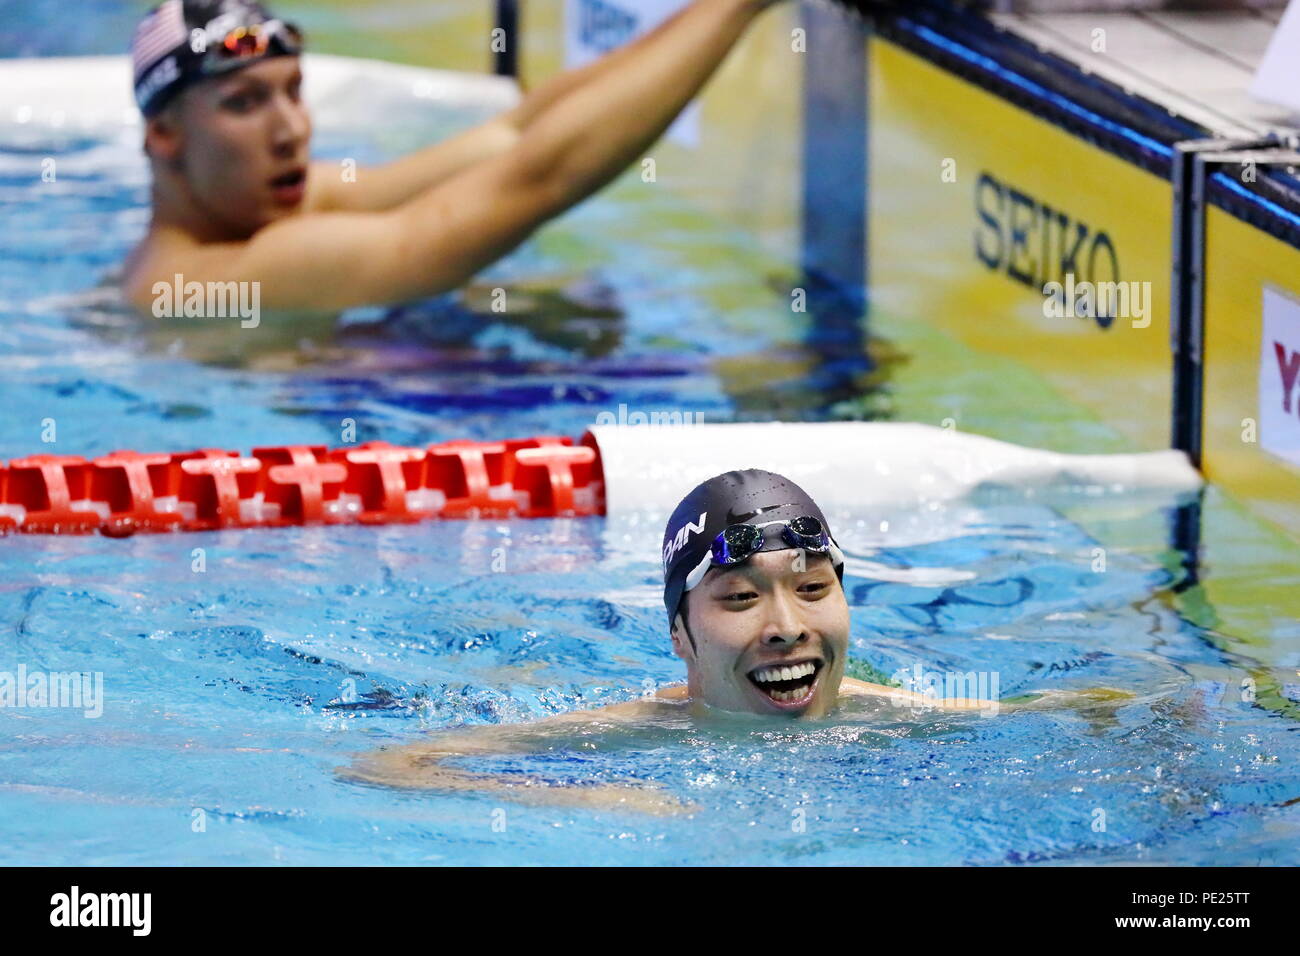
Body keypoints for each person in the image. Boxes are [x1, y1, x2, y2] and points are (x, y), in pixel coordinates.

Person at [341, 469, 1071, 815]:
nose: (787, 626)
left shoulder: (894, 714)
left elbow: (1079, 713)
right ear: (680, 637)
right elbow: (390, 763)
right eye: (742, 598)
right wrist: (599, 797)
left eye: (814, 589)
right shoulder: (628, 737)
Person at [121, 0, 788, 322]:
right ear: (165, 134)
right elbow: (537, 182)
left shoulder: (261, 207)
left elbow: (511, 134)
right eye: (245, 104)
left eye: (295, 91)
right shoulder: (212, 279)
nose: (292, 130)